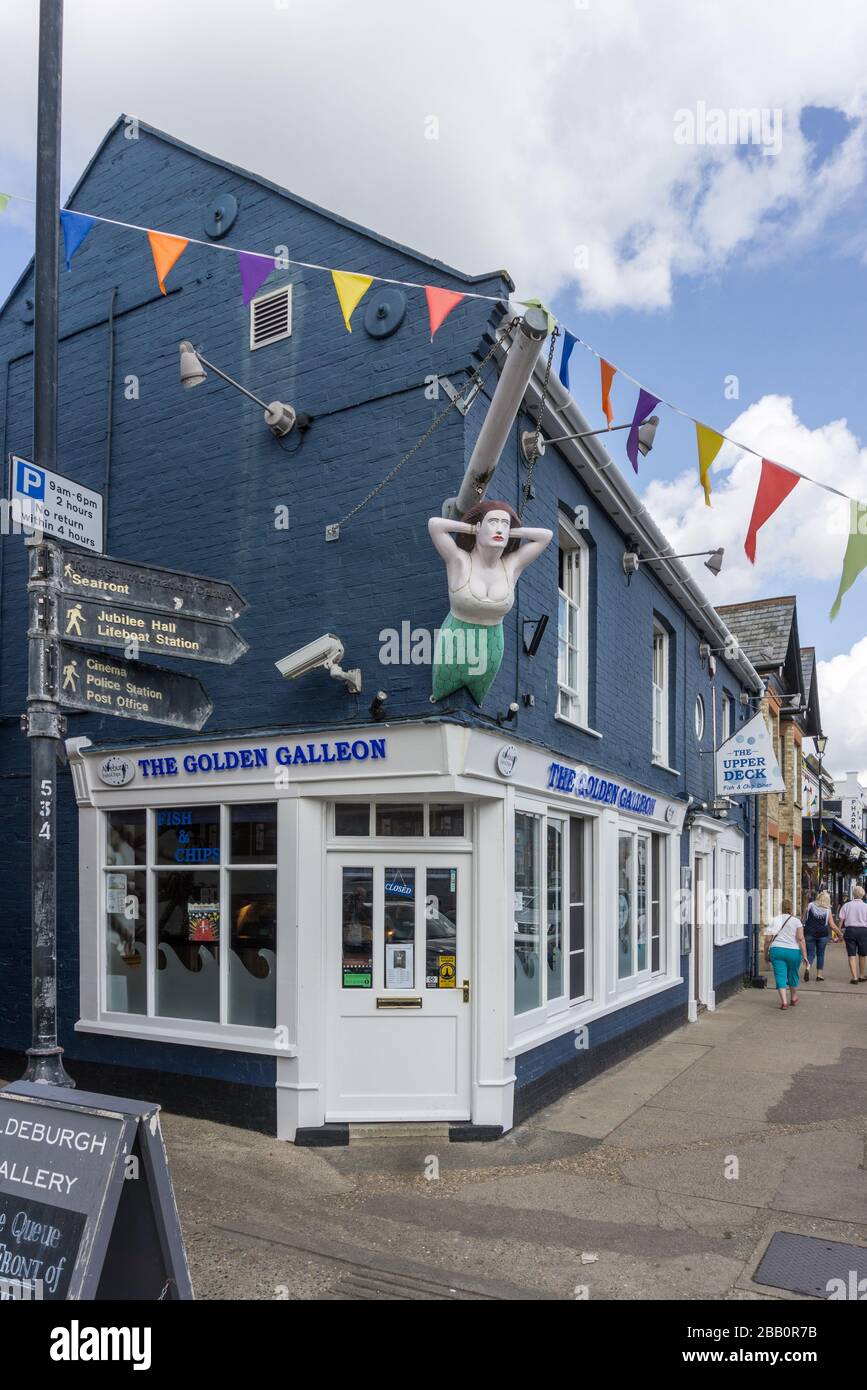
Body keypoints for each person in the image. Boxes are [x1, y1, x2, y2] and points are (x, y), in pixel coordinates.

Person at [428, 501, 552, 705]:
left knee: (479, 700)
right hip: (455, 638)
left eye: (505, 524)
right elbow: (435, 525)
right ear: (478, 526)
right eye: (493, 522)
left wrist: (512, 531)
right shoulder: (458, 559)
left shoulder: (511, 565)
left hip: (493, 645)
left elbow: (545, 536)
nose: (500, 529)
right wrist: (469, 528)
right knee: (442, 688)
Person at [765, 898, 807, 1010]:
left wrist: (766, 953)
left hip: (777, 951)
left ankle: (784, 1002)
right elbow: (800, 939)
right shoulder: (797, 921)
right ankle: (793, 998)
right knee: (793, 974)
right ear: (791, 908)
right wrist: (805, 956)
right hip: (793, 951)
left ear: (781, 908)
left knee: (780, 975)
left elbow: (768, 939)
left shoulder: (774, 920)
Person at [801, 890, 838, 981]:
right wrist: (840, 933)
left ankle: (808, 968)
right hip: (822, 934)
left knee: (810, 953)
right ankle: (819, 975)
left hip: (809, 933)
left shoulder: (810, 905)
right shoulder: (827, 910)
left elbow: (803, 919)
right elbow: (832, 925)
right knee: (820, 954)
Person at [838, 883, 867, 983]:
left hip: (850, 931)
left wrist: (839, 932)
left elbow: (841, 920)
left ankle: (854, 977)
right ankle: (862, 975)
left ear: (853, 894)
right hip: (863, 931)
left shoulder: (847, 905)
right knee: (863, 954)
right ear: (863, 894)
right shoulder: (866, 906)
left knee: (851, 954)